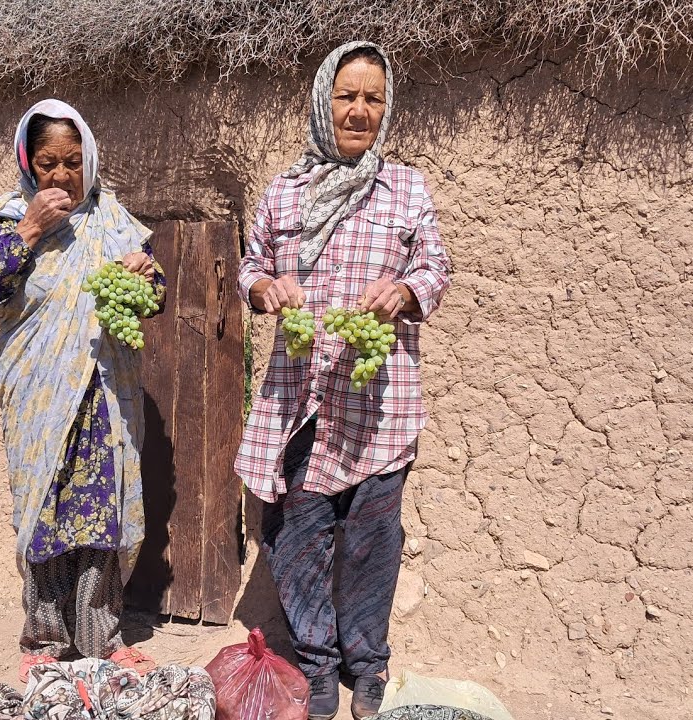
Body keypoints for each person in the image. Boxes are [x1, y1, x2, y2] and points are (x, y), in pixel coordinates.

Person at [234, 42, 451, 720]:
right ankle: (318, 666)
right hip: (300, 398)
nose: (359, 110)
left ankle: (369, 667)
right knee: (295, 537)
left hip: (379, 402)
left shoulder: (408, 189)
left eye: (373, 98)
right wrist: (264, 287)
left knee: (370, 543)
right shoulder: (286, 190)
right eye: (347, 96)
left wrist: (407, 293)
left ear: (386, 110)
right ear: (324, 102)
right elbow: (250, 265)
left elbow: (437, 268)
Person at [0, 98, 162, 680]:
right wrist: (30, 228)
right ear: (28, 160)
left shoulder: (115, 220)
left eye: (73, 162)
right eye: (48, 162)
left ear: (89, 161)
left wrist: (145, 276)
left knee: (101, 509)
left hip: (102, 390)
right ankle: (44, 640)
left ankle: (103, 637)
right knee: (45, 508)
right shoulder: (5, 218)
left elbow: (154, 297)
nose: (61, 175)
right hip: (37, 395)